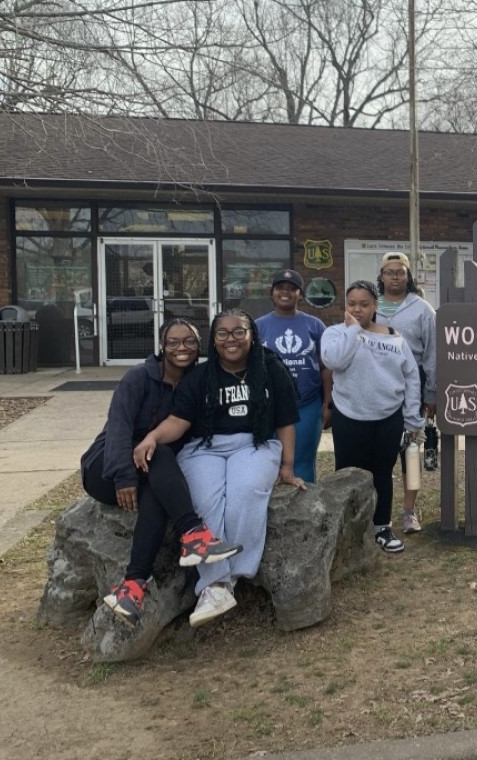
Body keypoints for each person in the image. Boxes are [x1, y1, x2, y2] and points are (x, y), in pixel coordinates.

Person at [133, 309, 305, 628]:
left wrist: (288, 467)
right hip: (206, 446)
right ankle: (216, 584)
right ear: (213, 341)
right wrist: (153, 438)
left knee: (244, 492)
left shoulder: (270, 368)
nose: (231, 339)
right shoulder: (200, 376)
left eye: (238, 331)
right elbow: (179, 421)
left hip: (255, 443)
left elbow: (285, 422)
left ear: (252, 334)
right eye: (222, 333)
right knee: (204, 500)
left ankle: (227, 580)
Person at [81, 318, 241, 627]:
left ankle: (132, 587)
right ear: (162, 346)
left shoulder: (197, 381)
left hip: (152, 472)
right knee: (160, 451)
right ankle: (194, 533)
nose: (182, 348)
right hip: (106, 469)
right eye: (174, 342)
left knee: (158, 494)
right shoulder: (138, 378)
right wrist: (124, 476)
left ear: (199, 346)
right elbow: (118, 428)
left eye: (190, 342)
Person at [322, 280, 424, 553]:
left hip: (388, 417)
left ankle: (381, 527)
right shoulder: (335, 333)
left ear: (375, 306)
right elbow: (334, 361)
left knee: (382, 473)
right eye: (352, 304)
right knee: (346, 474)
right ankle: (347, 528)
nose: (358, 309)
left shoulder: (394, 336)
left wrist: (413, 418)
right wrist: (353, 330)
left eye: (364, 304)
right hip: (349, 415)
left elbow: (411, 378)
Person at [375, 252, 437, 535]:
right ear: (382, 276)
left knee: (410, 450)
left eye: (401, 272)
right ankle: (377, 510)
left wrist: (431, 391)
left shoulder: (422, 309)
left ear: (408, 276)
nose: (395, 277)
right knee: (379, 452)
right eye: (390, 272)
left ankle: (410, 511)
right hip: (375, 384)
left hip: (412, 385)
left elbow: (433, 352)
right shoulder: (370, 305)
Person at [256, 269, 332, 483]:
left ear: (300, 293)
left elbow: (326, 367)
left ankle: (307, 511)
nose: (286, 293)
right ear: (272, 292)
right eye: (280, 288)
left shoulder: (315, 325)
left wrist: (328, 403)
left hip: (306, 404)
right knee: (269, 461)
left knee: (303, 461)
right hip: (269, 405)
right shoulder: (258, 326)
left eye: (292, 289)